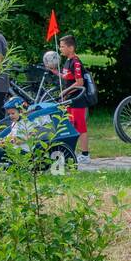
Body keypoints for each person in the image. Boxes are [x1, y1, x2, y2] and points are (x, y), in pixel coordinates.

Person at [55, 34, 90, 164]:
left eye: (63, 46)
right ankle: (71, 151)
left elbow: (79, 82)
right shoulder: (67, 61)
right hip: (69, 100)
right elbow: (66, 77)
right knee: (70, 127)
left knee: (80, 128)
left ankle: (85, 155)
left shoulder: (75, 62)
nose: (61, 49)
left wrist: (66, 91)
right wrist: (54, 71)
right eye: (60, 46)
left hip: (77, 100)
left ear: (71, 47)